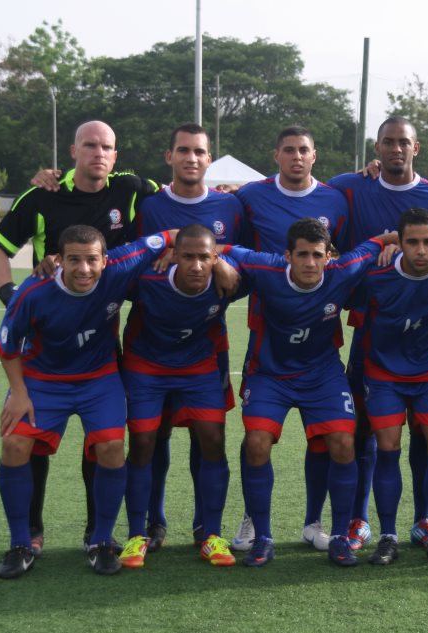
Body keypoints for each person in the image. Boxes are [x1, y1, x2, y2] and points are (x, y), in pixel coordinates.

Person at [0, 120, 159, 557]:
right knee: (28, 442)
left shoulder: (131, 188)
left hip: (101, 339)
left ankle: (96, 533)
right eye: (89, 146)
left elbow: (181, 191)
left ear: (115, 156)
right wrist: (14, 298)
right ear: (73, 151)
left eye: (106, 147)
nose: (98, 153)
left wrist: (228, 195)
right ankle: (30, 532)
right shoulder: (44, 194)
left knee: (103, 443)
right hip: (48, 338)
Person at [0, 225, 175, 579]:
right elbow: (6, 345)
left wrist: (170, 250)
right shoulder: (33, 291)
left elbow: (169, 235)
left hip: (98, 378)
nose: (84, 269)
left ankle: (102, 542)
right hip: (42, 380)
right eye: (74, 260)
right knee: (14, 444)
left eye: (92, 260)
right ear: (57, 260)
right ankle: (20, 544)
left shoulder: (121, 265)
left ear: (105, 260)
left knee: (110, 447)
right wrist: (18, 392)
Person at [223, 218, 398, 567]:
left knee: (344, 442)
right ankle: (263, 537)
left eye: (317, 255)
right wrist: (209, 256)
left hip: (322, 375)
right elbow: (224, 247)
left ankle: (337, 537)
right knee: (256, 442)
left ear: (328, 256)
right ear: (287, 255)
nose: (309, 262)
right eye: (301, 255)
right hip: (270, 375)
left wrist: (405, 242)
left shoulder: (342, 271)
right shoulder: (267, 267)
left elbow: (381, 238)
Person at [329, 116, 428, 552]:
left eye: (403, 143)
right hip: (372, 331)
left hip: (425, 340)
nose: (396, 149)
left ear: (415, 148)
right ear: (377, 147)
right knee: (367, 431)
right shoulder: (351, 186)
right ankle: (361, 521)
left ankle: (426, 520)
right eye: (388, 143)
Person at [231, 126, 351, 554]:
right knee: (257, 439)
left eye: (304, 150)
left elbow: (360, 248)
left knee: (335, 438)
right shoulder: (249, 195)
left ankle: (321, 524)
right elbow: (227, 241)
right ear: (276, 155)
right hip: (269, 343)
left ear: (314, 156)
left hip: (321, 349)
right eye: (288, 150)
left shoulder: (337, 197)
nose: (296, 157)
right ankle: (254, 522)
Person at [134, 123, 244, 553]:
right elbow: (129, 258)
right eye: (183, 150)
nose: (191, 159)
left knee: (208, 434)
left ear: (209, 158)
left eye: (199, 152)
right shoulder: (148, 206)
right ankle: (152, 524)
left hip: (206, 343)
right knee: (151, 434)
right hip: (152, 338)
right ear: (169, 157)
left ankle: (206, 528)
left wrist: (221, 264)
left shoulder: (231, 207)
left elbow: (242, 267)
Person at [118, 225, 241, 569]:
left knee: (213, 440)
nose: (197, 265)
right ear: (173, 256)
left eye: (205, 257)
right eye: (188, 256)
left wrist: (227, 262)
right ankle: (135, 536)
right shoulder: (146, 279)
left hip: (197, 367)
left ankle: (212, 535)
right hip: (146, 367)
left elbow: (272, 264)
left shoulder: (228, 280)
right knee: (143, 442)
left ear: (215, 258)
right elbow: (107, 266)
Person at [349, 208, 428, 567]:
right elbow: (341, 270)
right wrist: (380, 243)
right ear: (399, 242)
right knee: (388, 447)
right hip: (384, 374)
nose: (420, 250)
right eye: (412, 241)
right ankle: (387, 536)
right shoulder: (375, 274)